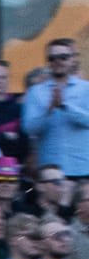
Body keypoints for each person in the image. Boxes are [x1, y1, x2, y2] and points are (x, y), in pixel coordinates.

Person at [22, 38, 89, 181]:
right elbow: (29, 128)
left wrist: (65, 106)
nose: (58, 61)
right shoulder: (36, 91)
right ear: (48, 62)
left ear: (71, 60)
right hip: (49, 172)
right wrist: (49, 110)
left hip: (82, 169)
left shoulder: (86, 88)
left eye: (63, 57)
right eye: (53, 58)